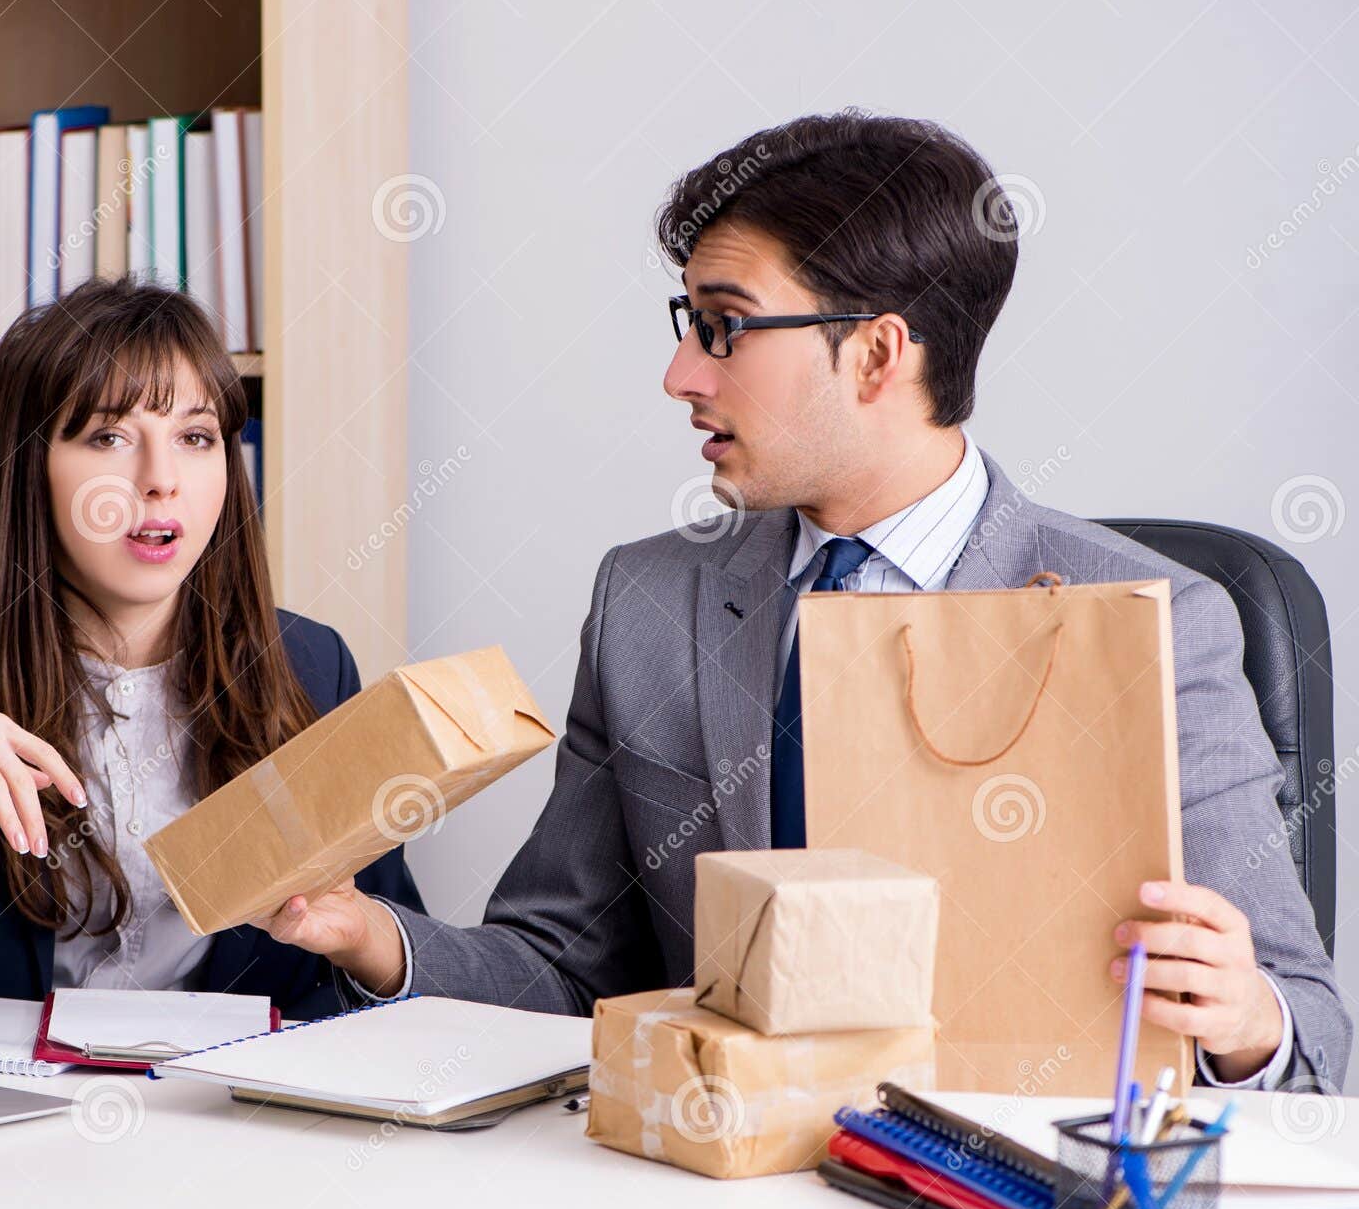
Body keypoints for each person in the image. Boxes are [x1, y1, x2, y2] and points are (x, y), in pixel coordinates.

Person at [267, 110, 1348, 1092]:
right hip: (727, 1174)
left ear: (876, 354)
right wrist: (372, 938)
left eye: (725, 326)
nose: (681, 375)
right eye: (688, 322)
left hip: (1019, 1181)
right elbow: (563, 970)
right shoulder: (649, 601)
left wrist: (1245, 1022)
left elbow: (1310, 1032)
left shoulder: (1155, 619)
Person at [0, 277, 421, 1017]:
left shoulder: (311, 665)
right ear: (30, 464)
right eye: (109, 437)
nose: (160, 482)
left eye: (195, 437)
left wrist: (365, 942)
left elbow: (387, 970)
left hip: (231, 1088)